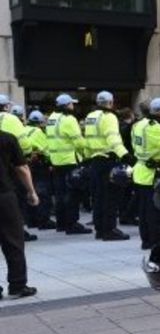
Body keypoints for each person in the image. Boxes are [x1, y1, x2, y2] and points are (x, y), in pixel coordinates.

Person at [83, 91, 134, 241]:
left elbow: (88, 139)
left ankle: (100, 229)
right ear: (111, 102)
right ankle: (109, 230)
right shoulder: (109, 117)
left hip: (95, 160)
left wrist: (87, 156)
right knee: (111, 197)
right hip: (108, 160)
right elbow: (113, 139)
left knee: (98, 197)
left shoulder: (91, 116)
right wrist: (126, 156)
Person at [0, 130, 39, 300]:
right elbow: (22, 168)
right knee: (13, 240)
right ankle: (17, 285)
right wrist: (31, 191)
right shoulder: (6, 138)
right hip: (4, 195)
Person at [131, 98, 160, 250]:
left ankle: (146, 240)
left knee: (143, 210)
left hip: (141, 172)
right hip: (153, 174)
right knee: (155, 211)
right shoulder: (157, 128)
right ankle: (156, 241)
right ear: (159, 112)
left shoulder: (138, 125)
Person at [46, 94, 90, 235]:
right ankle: (72, 224)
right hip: (69, 161)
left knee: (60, 194)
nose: (73, 106)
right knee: (72, 194)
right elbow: (78, 141)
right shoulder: (69, 119)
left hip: (56, 161)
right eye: (71, 104)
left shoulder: (51, 118)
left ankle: (61, 223)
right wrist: (86, 151)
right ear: (67, 105)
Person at [24, 111, 54, 230]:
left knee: (29, 192)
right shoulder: (38, 132)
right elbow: (46, 150)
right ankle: (43, 220)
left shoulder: (24, 129)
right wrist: (51, 161)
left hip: (28, 164)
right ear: (40, 122)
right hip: (39, 165)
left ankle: (31, 221)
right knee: (43, 193)